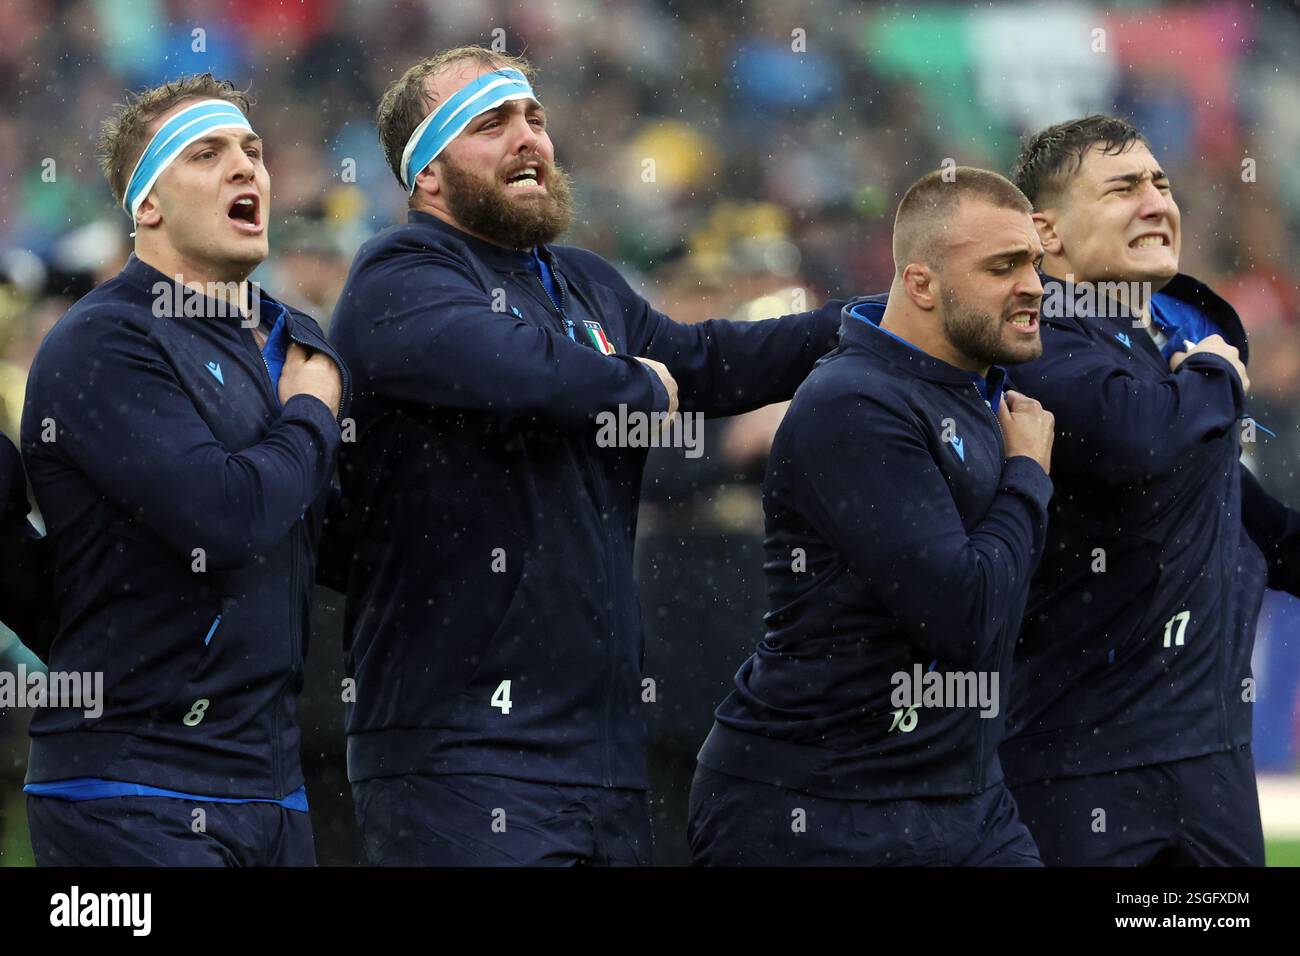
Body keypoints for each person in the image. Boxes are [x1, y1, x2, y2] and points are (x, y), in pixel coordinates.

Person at [329, 45, 844, 865]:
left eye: (534, 117)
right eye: (490, 124)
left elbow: (711, 359)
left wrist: (881, 321)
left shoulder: (585, 282)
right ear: (426, 174)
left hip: (599, 750)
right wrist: (641, 387)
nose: (527, 136)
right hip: (459, 750)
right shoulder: (398, 275)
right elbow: (521, 372)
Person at [21, 73, 347, 866]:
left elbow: (327, 543)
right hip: (131, 793)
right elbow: (227, 517)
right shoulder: (108, 341)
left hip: (271, 787)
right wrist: (311, 413)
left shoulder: (284, 339)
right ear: (147, 206)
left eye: (253, 152)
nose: (246, 169)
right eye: (208, 153)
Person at [688, 167, 1055, 866]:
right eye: (1003, 266)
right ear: (920, 285)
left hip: (964, 800)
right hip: (817, 809)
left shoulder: (980, 392)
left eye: (1035, 261)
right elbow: (965, 614)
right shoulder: (856, 404)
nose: (1034, 284)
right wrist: (1028, 476)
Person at [1000, 115, 1300, 865]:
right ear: (1048, 233)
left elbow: (1255, 523)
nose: (1156, 202)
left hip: (1212, 766)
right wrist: (1213, 374)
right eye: (1123, 188)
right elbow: (1134, 437)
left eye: (1162, 184)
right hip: (1080, 765)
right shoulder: (1030, 338)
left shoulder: (1169, 350)